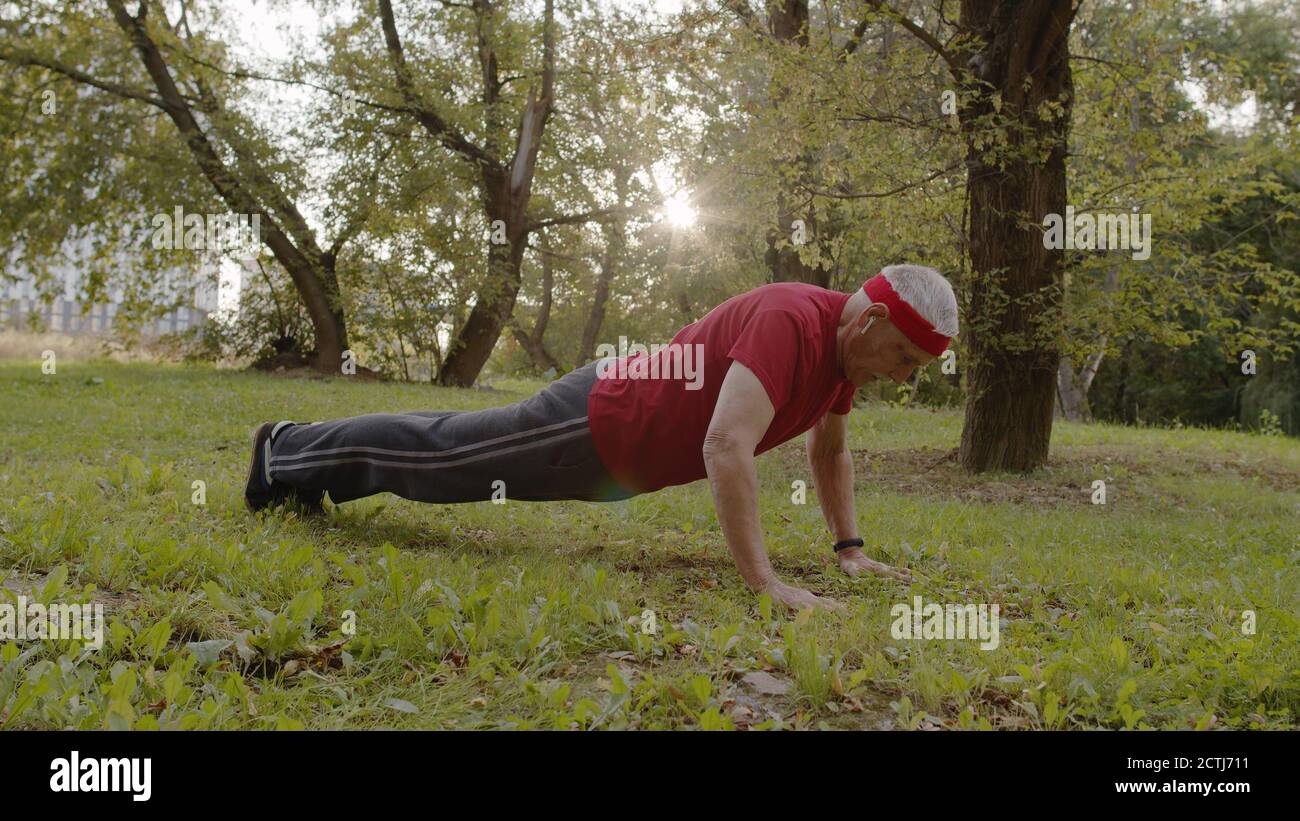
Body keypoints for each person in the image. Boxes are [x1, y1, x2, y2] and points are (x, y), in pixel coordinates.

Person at [245, 264, 959, 611]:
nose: (902, 378)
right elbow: (724, 445)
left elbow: (829, 451)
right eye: (905, 359)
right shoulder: (791, 321)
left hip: (613, 449)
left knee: (448, 456)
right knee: (447, 455)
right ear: (870, 323)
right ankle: (283, 452)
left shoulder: (841, 364)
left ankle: (297, 454)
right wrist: (764, 582)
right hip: (596, 421)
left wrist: (849, 549)